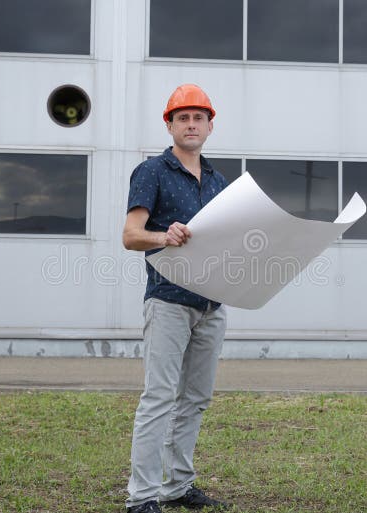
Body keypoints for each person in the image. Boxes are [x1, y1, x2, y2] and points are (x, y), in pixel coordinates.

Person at [122, 84, 231, 513]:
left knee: (196, 399)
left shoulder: (220, 181)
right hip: (168, 301)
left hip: (211, 305)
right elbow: (130, 236)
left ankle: (178, 486)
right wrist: (162, 235)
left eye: (198, 117)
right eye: (182, 117)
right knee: (159, 398)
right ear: (169, 124)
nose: (191, 124)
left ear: (209, 125)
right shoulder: (152, 171)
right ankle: (142, 496)